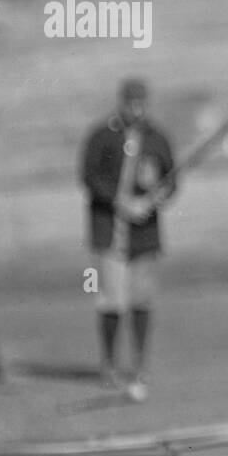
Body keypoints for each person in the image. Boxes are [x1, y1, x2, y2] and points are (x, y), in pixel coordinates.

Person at [80, 78, 175, 399]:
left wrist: (160, 195)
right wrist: (120, 202)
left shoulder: (157, 138)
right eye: (130, 102)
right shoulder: (102, 136)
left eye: (141, 102)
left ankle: (139, 364)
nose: (136, 108)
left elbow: (171, 179)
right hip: (111, 233)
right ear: (121, 102)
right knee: (111, 301)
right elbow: (89, 176)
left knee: (142, 300)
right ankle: (108, 363)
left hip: (144, 236)